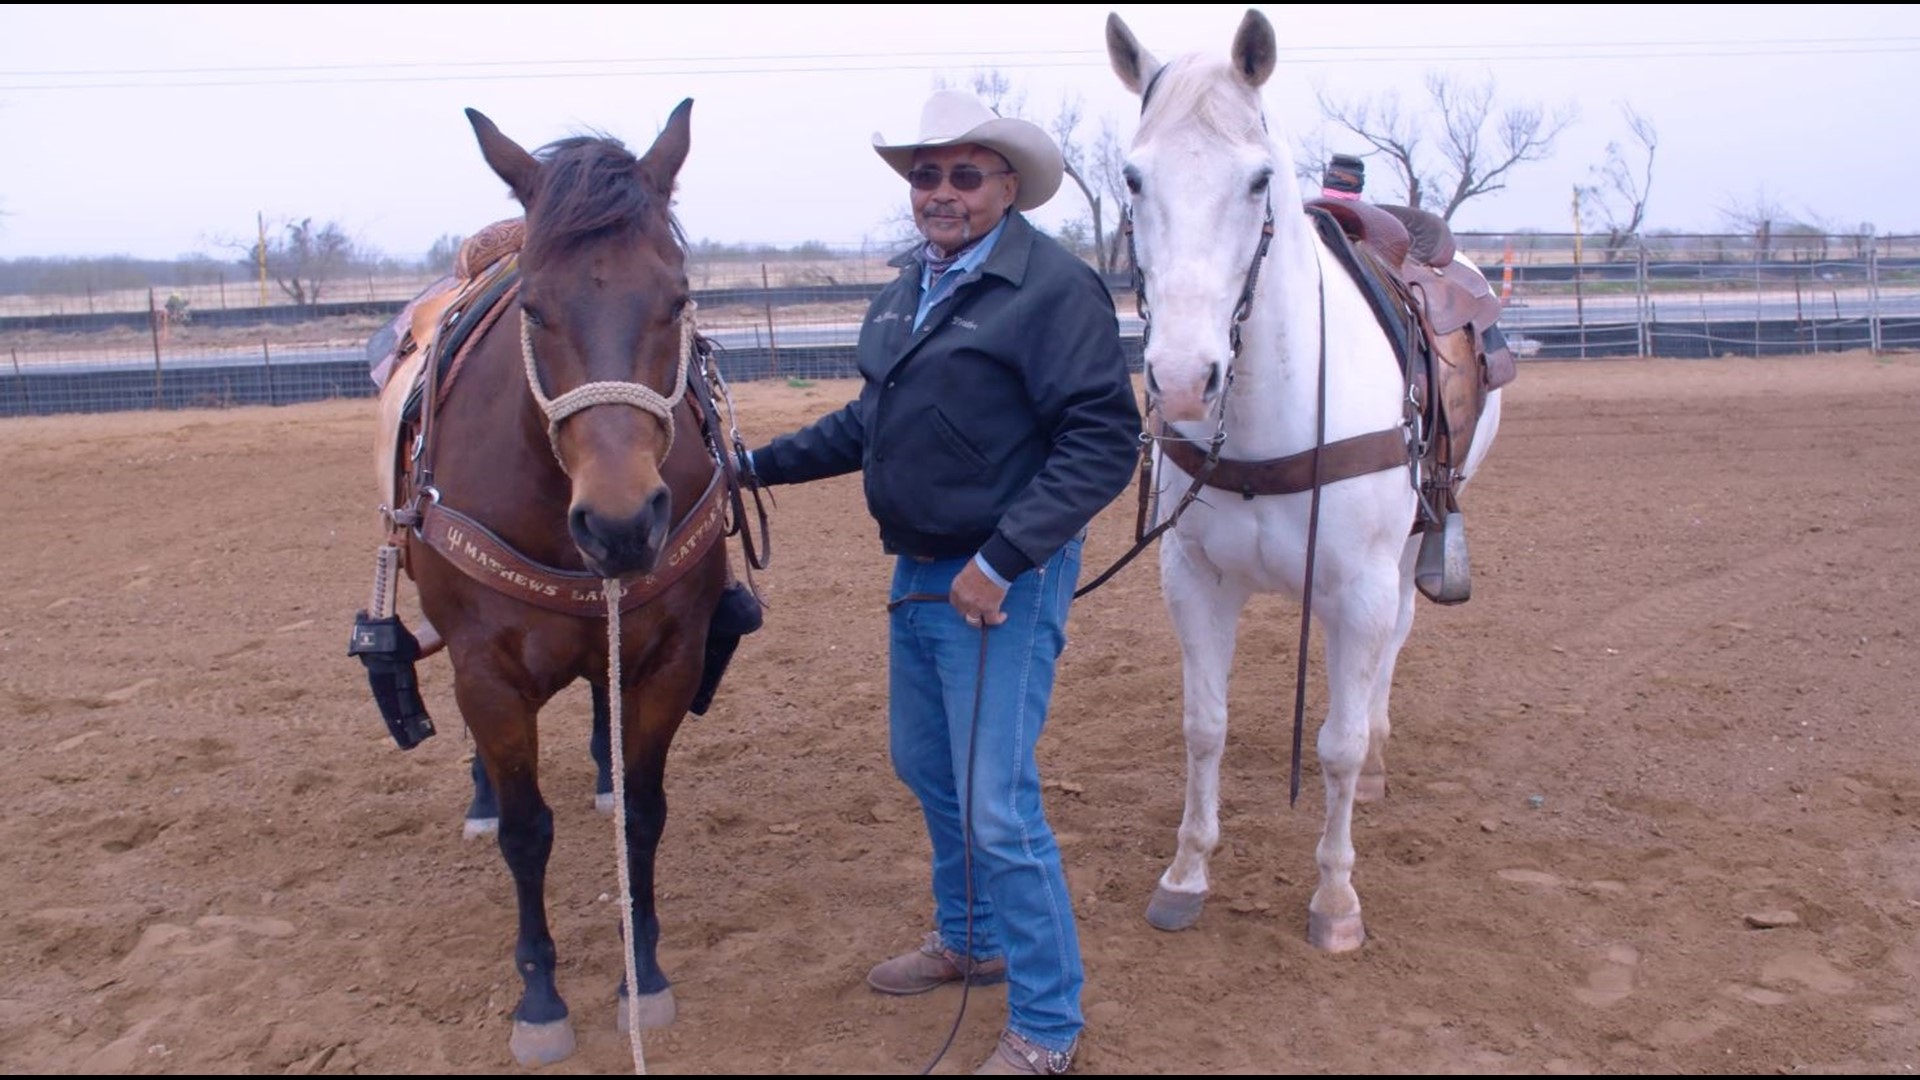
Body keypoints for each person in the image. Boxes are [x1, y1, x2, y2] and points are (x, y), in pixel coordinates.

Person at [738, 88, 1141, 1076]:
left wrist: (1002, 561)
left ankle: (1048, 1025)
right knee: (927, 764)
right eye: (927, 174)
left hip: (1004, 575)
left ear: (1008, 186)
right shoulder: (907, 289)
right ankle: (973, 938)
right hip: (920, 568)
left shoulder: (1052, 289)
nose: (943, 191)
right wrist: (746, 466)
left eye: (966, 174)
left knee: (997, 799)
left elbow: (1103, 442)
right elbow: (867, 425)